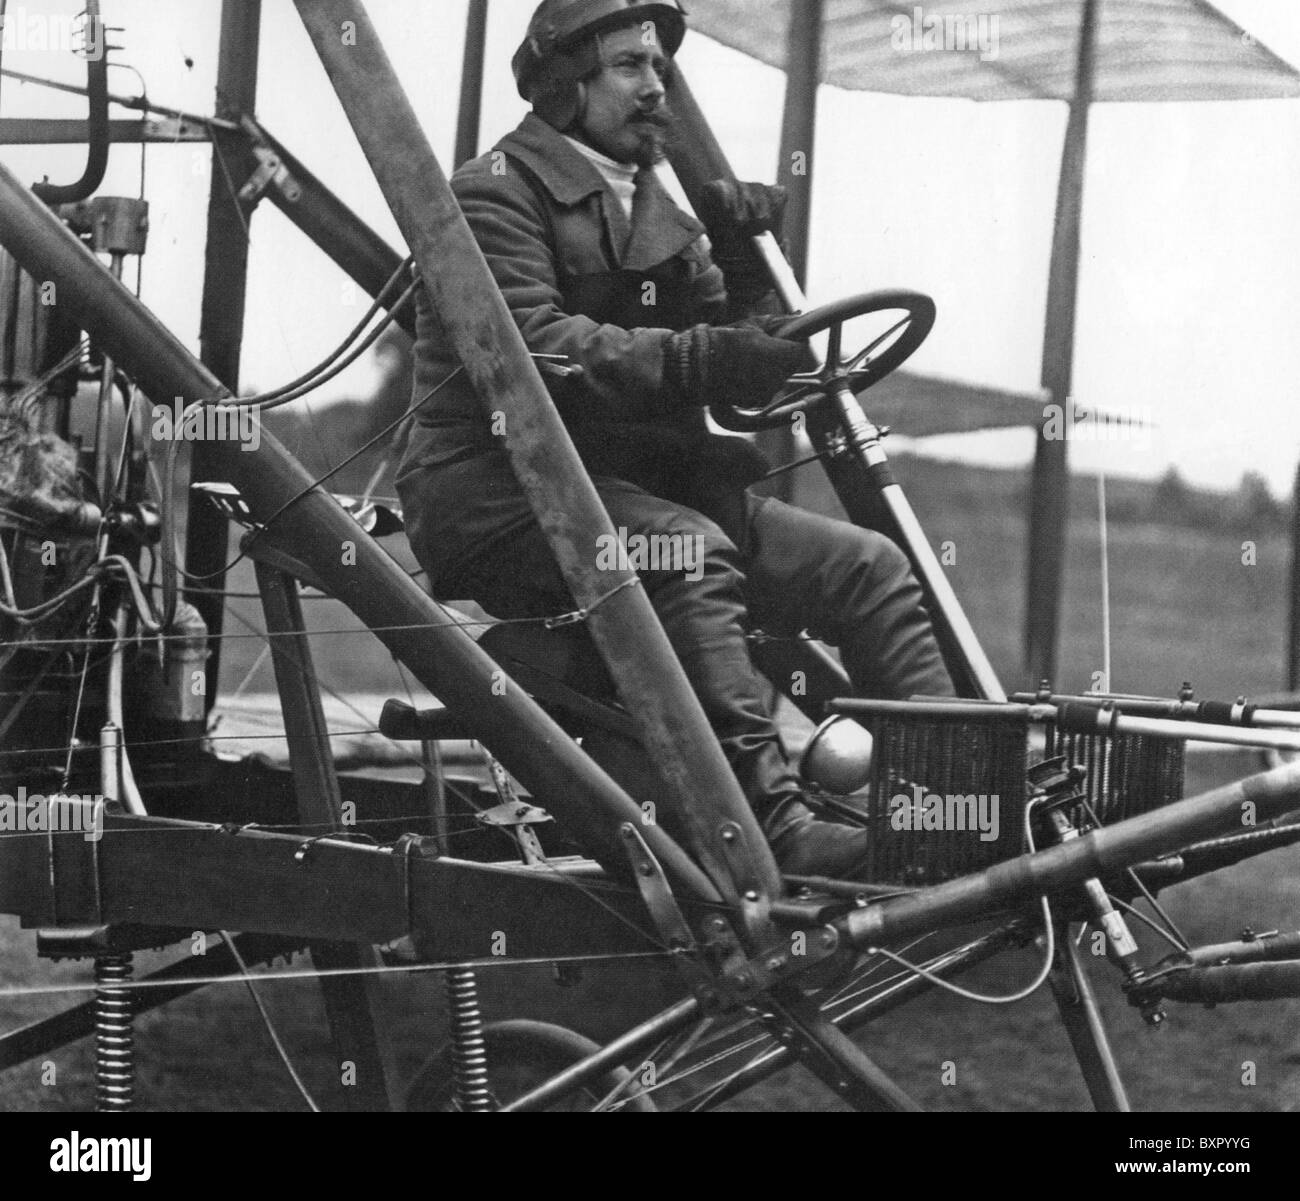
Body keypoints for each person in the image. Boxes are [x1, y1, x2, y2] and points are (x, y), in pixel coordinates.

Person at [396, 0, 954, 879]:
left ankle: (954, 811)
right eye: (630, 67)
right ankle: (769, 832)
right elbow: (536, 351)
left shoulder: (659, 203)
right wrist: (705, 356)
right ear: (563, 87)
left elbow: (743, 363)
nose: (657, 88)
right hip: (499, 491)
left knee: (868, 566)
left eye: (659, 68)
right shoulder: (491, 191)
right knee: (689, 553)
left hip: (634, 489)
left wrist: (739, 268)